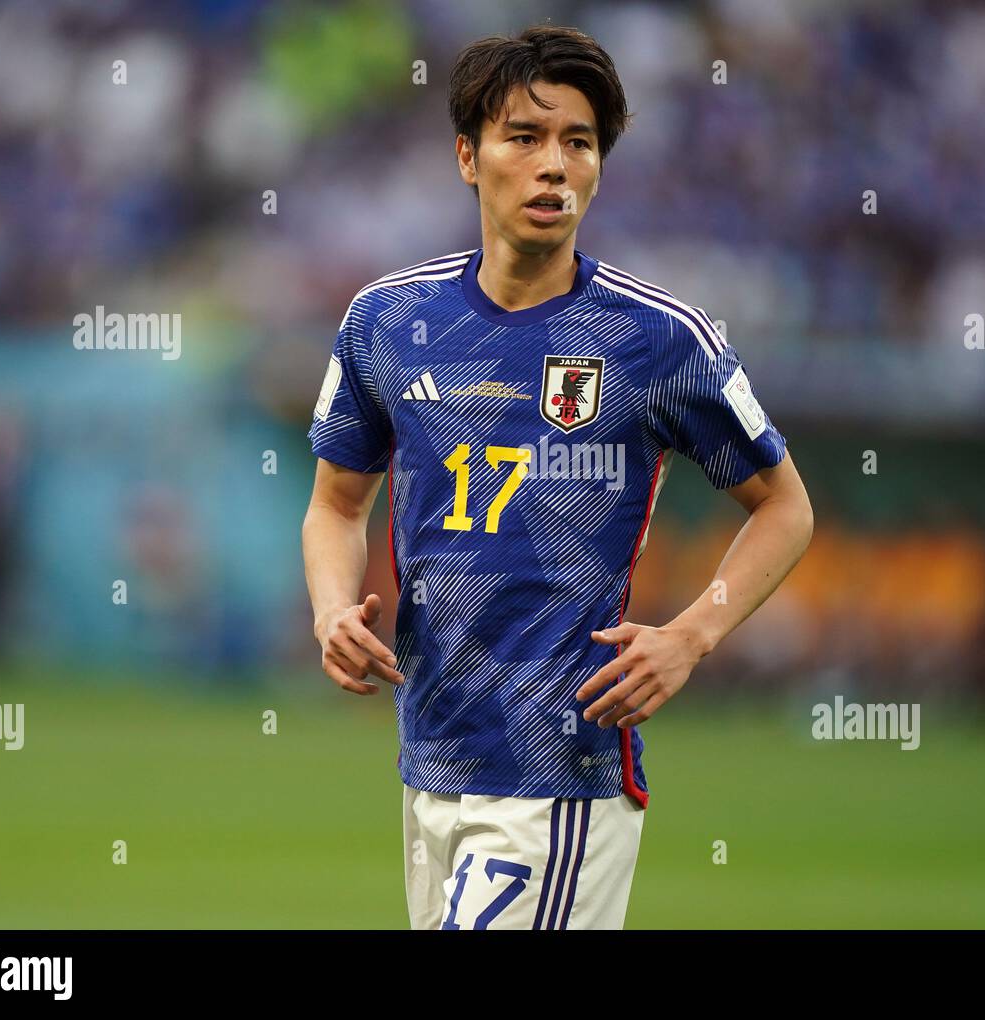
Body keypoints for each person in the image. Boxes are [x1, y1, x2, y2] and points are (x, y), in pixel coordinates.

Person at [301, 25, 813, 930]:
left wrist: (691, 635)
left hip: (559, 769)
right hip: (432, 762)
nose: (554, 166)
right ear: (469, 156)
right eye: (524, 138)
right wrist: (332, 608)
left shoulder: (655, 339)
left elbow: (785, 505)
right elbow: (336, 504)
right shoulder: (387, 321)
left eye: (578, 142)